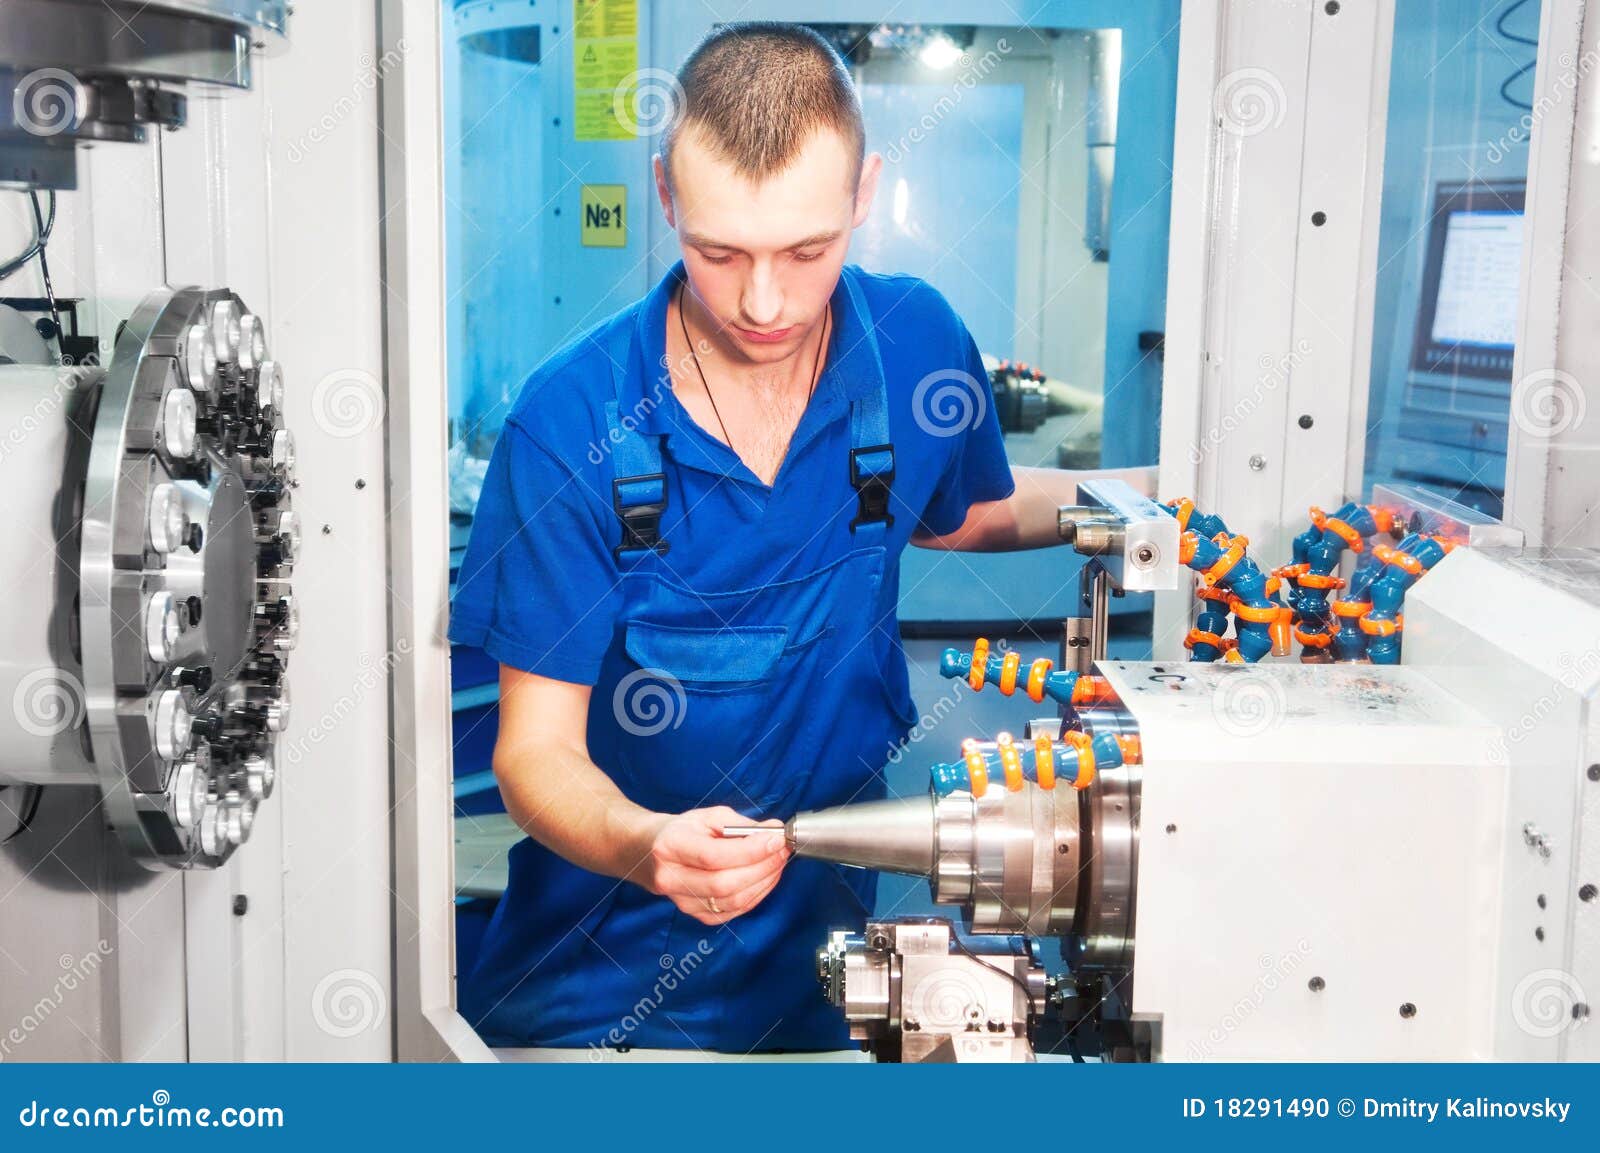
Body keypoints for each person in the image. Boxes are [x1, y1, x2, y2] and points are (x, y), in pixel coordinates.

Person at [449, 21, 1116, 1052]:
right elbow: (534, 753)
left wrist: (1133, 503)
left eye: (807, 251)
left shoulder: (916, 344)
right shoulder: (573, 423)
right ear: (667, 194)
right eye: (720, 253)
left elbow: (965, 511)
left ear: (864, 195)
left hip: (827, 974)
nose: (764, 302)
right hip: (598, 996)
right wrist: (645, 844)